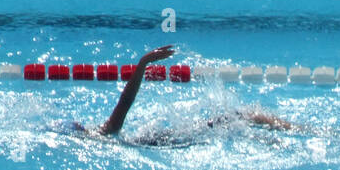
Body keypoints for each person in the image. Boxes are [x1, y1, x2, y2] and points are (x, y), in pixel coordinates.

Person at [74, 45, 295, 142]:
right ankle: (295, 131)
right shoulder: (104, 133)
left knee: (237, 119)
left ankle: (285, 132)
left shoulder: (103, 137)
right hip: (175, 141)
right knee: (239, 117)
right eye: (78, 127)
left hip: (169, 139)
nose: (80, 124)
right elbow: (125, 103)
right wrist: (143, 63)